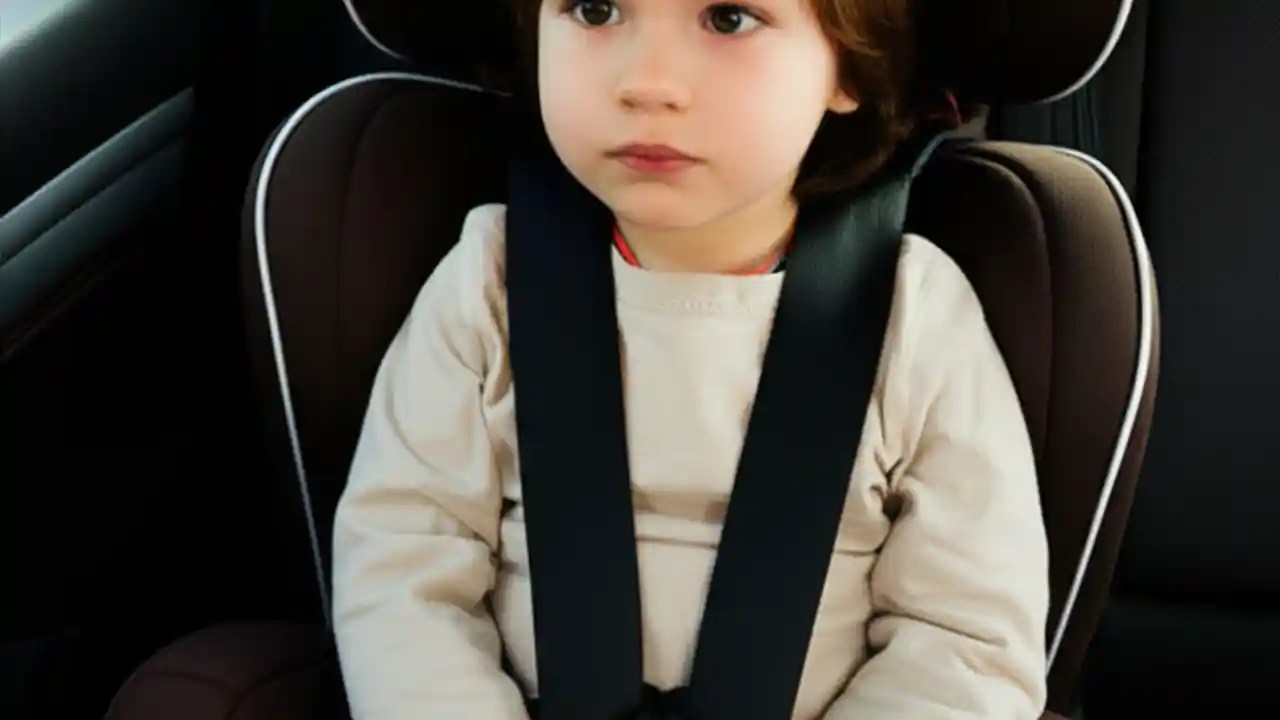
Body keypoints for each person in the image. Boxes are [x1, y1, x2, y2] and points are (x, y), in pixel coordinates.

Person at [330, 0, 1050, 717]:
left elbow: (965, 640)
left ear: (848, 67)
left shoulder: (912, 313)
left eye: (729, 19)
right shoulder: (491, 281)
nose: (648, 82)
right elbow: (403, 574)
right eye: (594, 9)